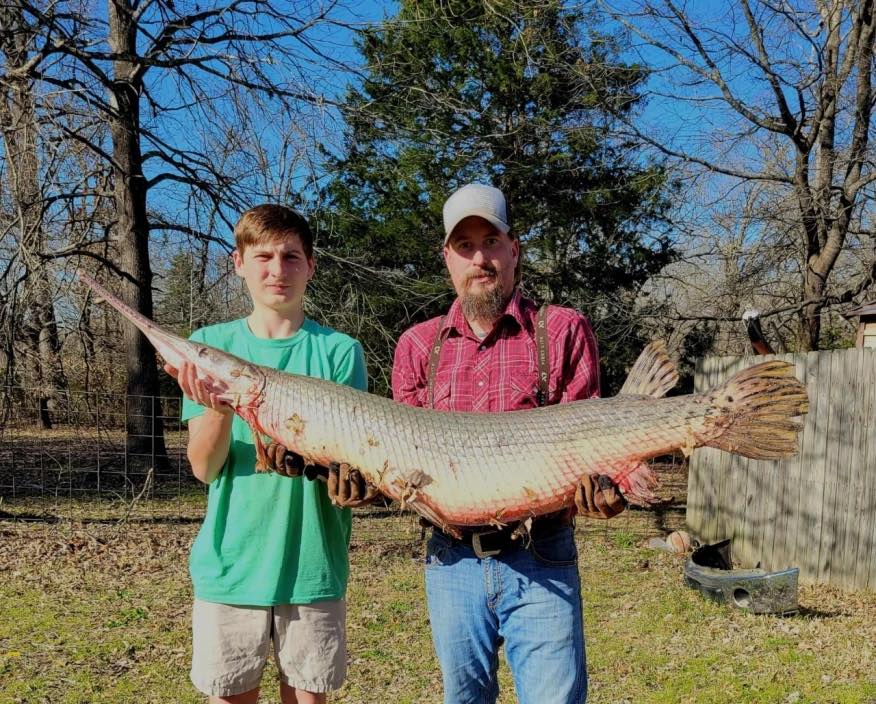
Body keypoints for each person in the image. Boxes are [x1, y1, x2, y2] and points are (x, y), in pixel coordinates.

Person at [390, 183, 627, 704]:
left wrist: (607, 490)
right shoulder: (416, 347)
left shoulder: (562, 330)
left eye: (491, 242)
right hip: (450, 562)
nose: (480, 258)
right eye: (465, 246)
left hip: (542, 555)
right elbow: (401, 467)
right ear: (447, 257)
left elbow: (596, 449)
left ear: (514, 250)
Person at [165, 204, 372, 704]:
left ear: (311, 266)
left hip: (314, 568)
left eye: (290, 256)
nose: (277, 270)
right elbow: (204, 467)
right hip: (230, 569)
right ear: (237, 263)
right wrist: (215, 405)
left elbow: (350, 466)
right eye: (262, 257)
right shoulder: (208, 346)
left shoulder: (341, 352)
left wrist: (331, 473)